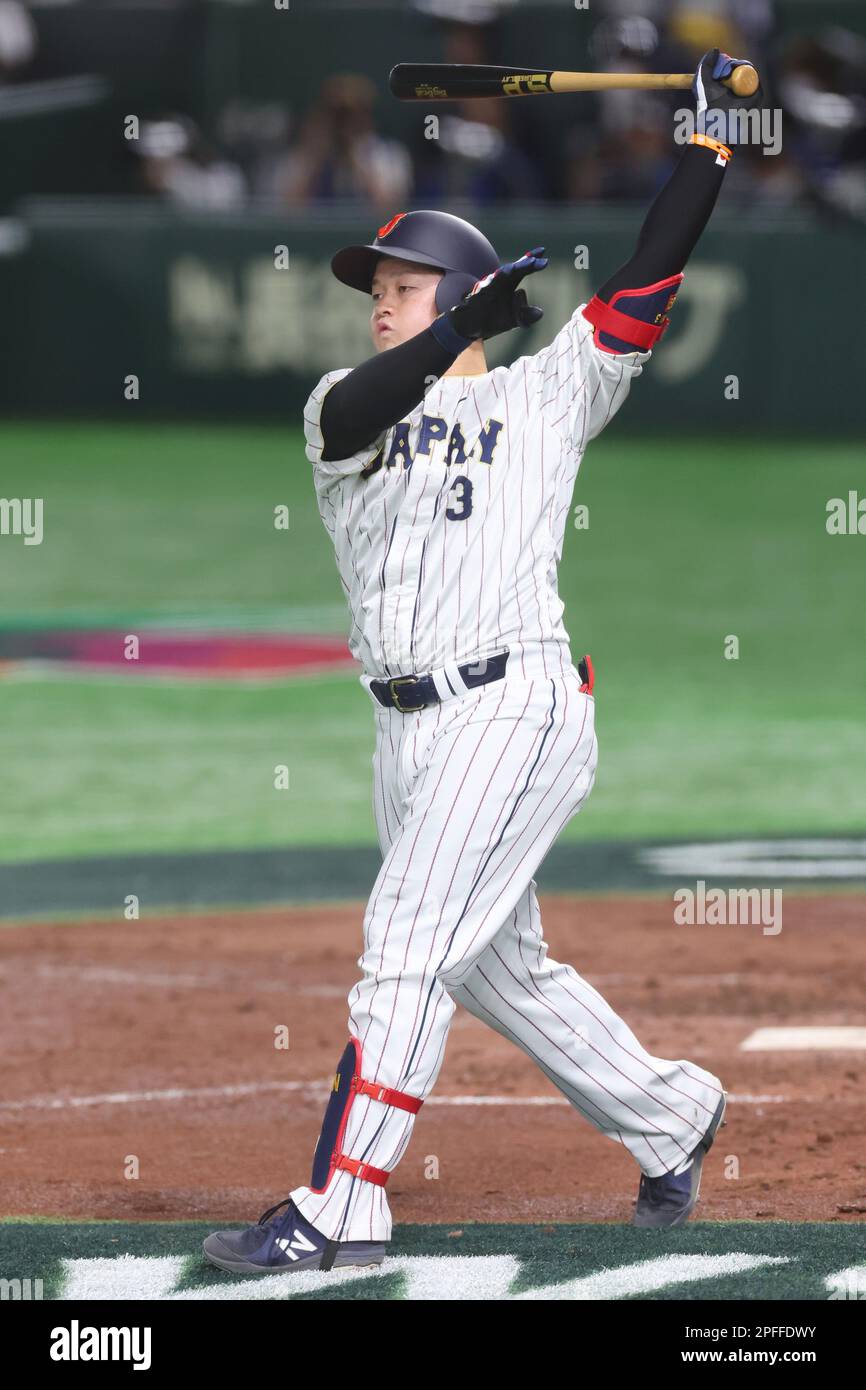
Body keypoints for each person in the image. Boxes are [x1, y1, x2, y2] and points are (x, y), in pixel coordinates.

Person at [203, 49, 760, 1278]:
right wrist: (450, 327)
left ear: (454, 288)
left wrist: (704, 145)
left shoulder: (545, 395)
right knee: (500, 966)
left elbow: (644, 280)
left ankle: (344, 1206)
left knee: (404, 940)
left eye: (400, 287)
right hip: (406, 736)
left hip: (513, 708)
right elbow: (362, 407)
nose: (377, 303)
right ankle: (670, 1111)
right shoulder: (342, 406)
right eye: (376, 290)